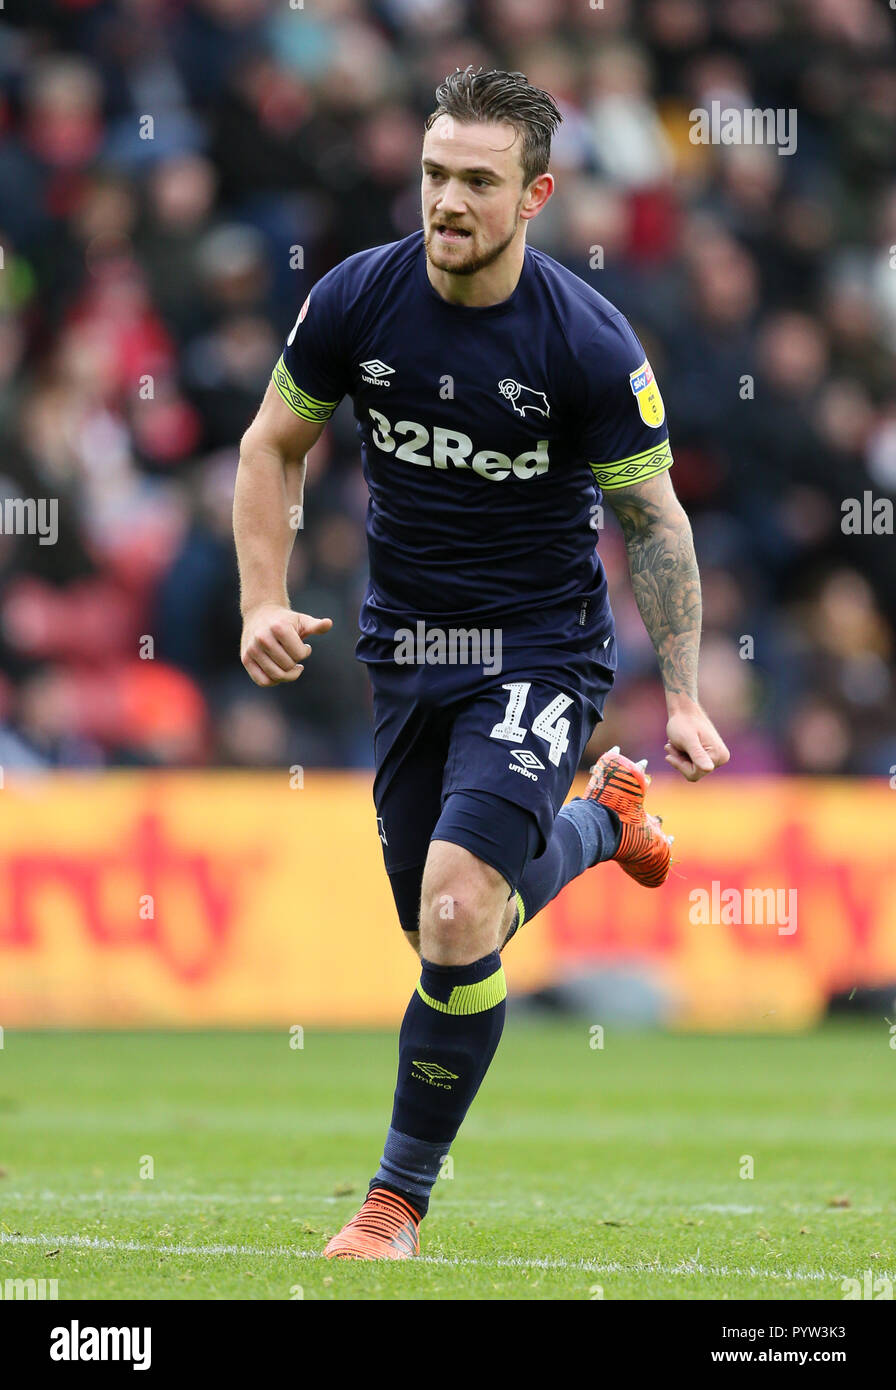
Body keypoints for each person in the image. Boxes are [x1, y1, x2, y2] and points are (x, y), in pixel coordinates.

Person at [233, 67, 729, 1261]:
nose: (446, 202)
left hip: (538, 651)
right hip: (404, 651)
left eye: (476, 182)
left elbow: (655, 524)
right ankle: (604, 826)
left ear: (535, 195)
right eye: (433, 175)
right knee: (446, 927)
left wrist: (687, 691)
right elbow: (270, 444)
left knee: (459, 907)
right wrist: (260, 596)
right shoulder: (358, 299)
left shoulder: (586, 342)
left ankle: (393, 1204)